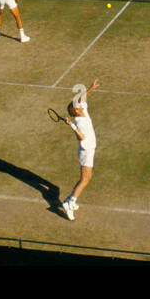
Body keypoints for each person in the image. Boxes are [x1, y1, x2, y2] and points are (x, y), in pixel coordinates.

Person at [60, 78, 99, 220]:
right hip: (85, 151)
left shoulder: (83, 111)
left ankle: (70, 199)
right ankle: (69, 204)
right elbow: (82, 137)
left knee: (87, 178)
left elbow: (83, 97)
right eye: (78, 105)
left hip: (90, 148)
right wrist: (72, 126)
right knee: (85, 179)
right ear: (76, 110)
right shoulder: (79, 121)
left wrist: (91, 87)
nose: (80, 104)